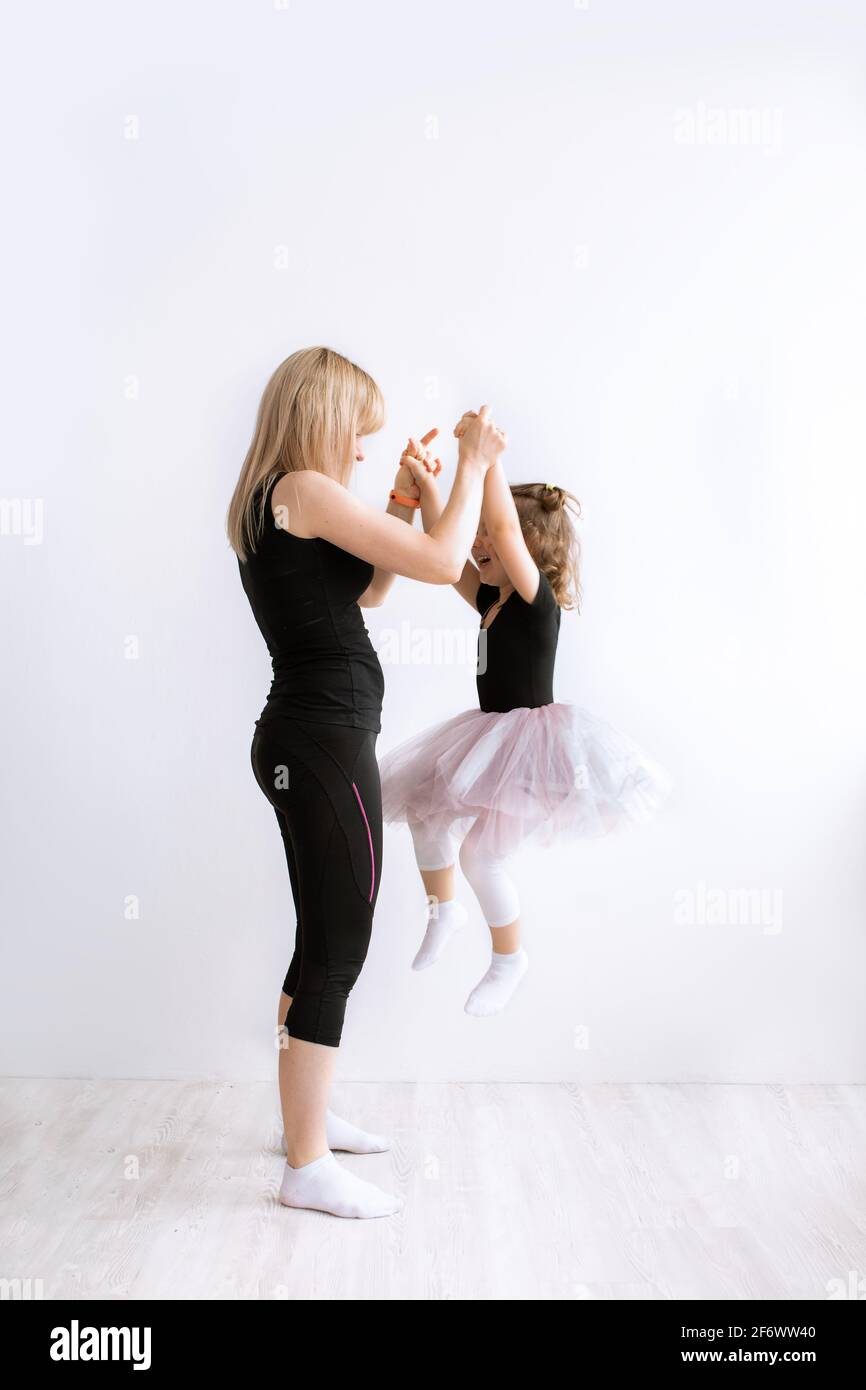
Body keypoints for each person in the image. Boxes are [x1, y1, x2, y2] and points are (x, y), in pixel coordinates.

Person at [227, 349, 505, 1217]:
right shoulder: (303, 489)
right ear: (320, 417)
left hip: (305, 739)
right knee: (338, 947)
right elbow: (443, 562)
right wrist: (473, 463)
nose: (359, 449)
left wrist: (403, 500)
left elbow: (374, 590)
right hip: (322, 743)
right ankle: (305, 1165)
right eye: (357, 431)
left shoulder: (280, 497)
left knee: (320, 939)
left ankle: (304, 1124)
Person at [379, 413, 672, 1016]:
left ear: (532, 552)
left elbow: (507, 527)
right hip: (487, 737)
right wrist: (426, 483)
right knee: (427, 814)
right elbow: (440, 546)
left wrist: (486, 460)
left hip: (532, 748)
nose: (479, 542)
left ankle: (509, 958)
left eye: (489, 535)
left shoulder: (538, 602)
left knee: (479, 855)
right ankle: (444, 909)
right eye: (479, 533)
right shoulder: (490, 600)